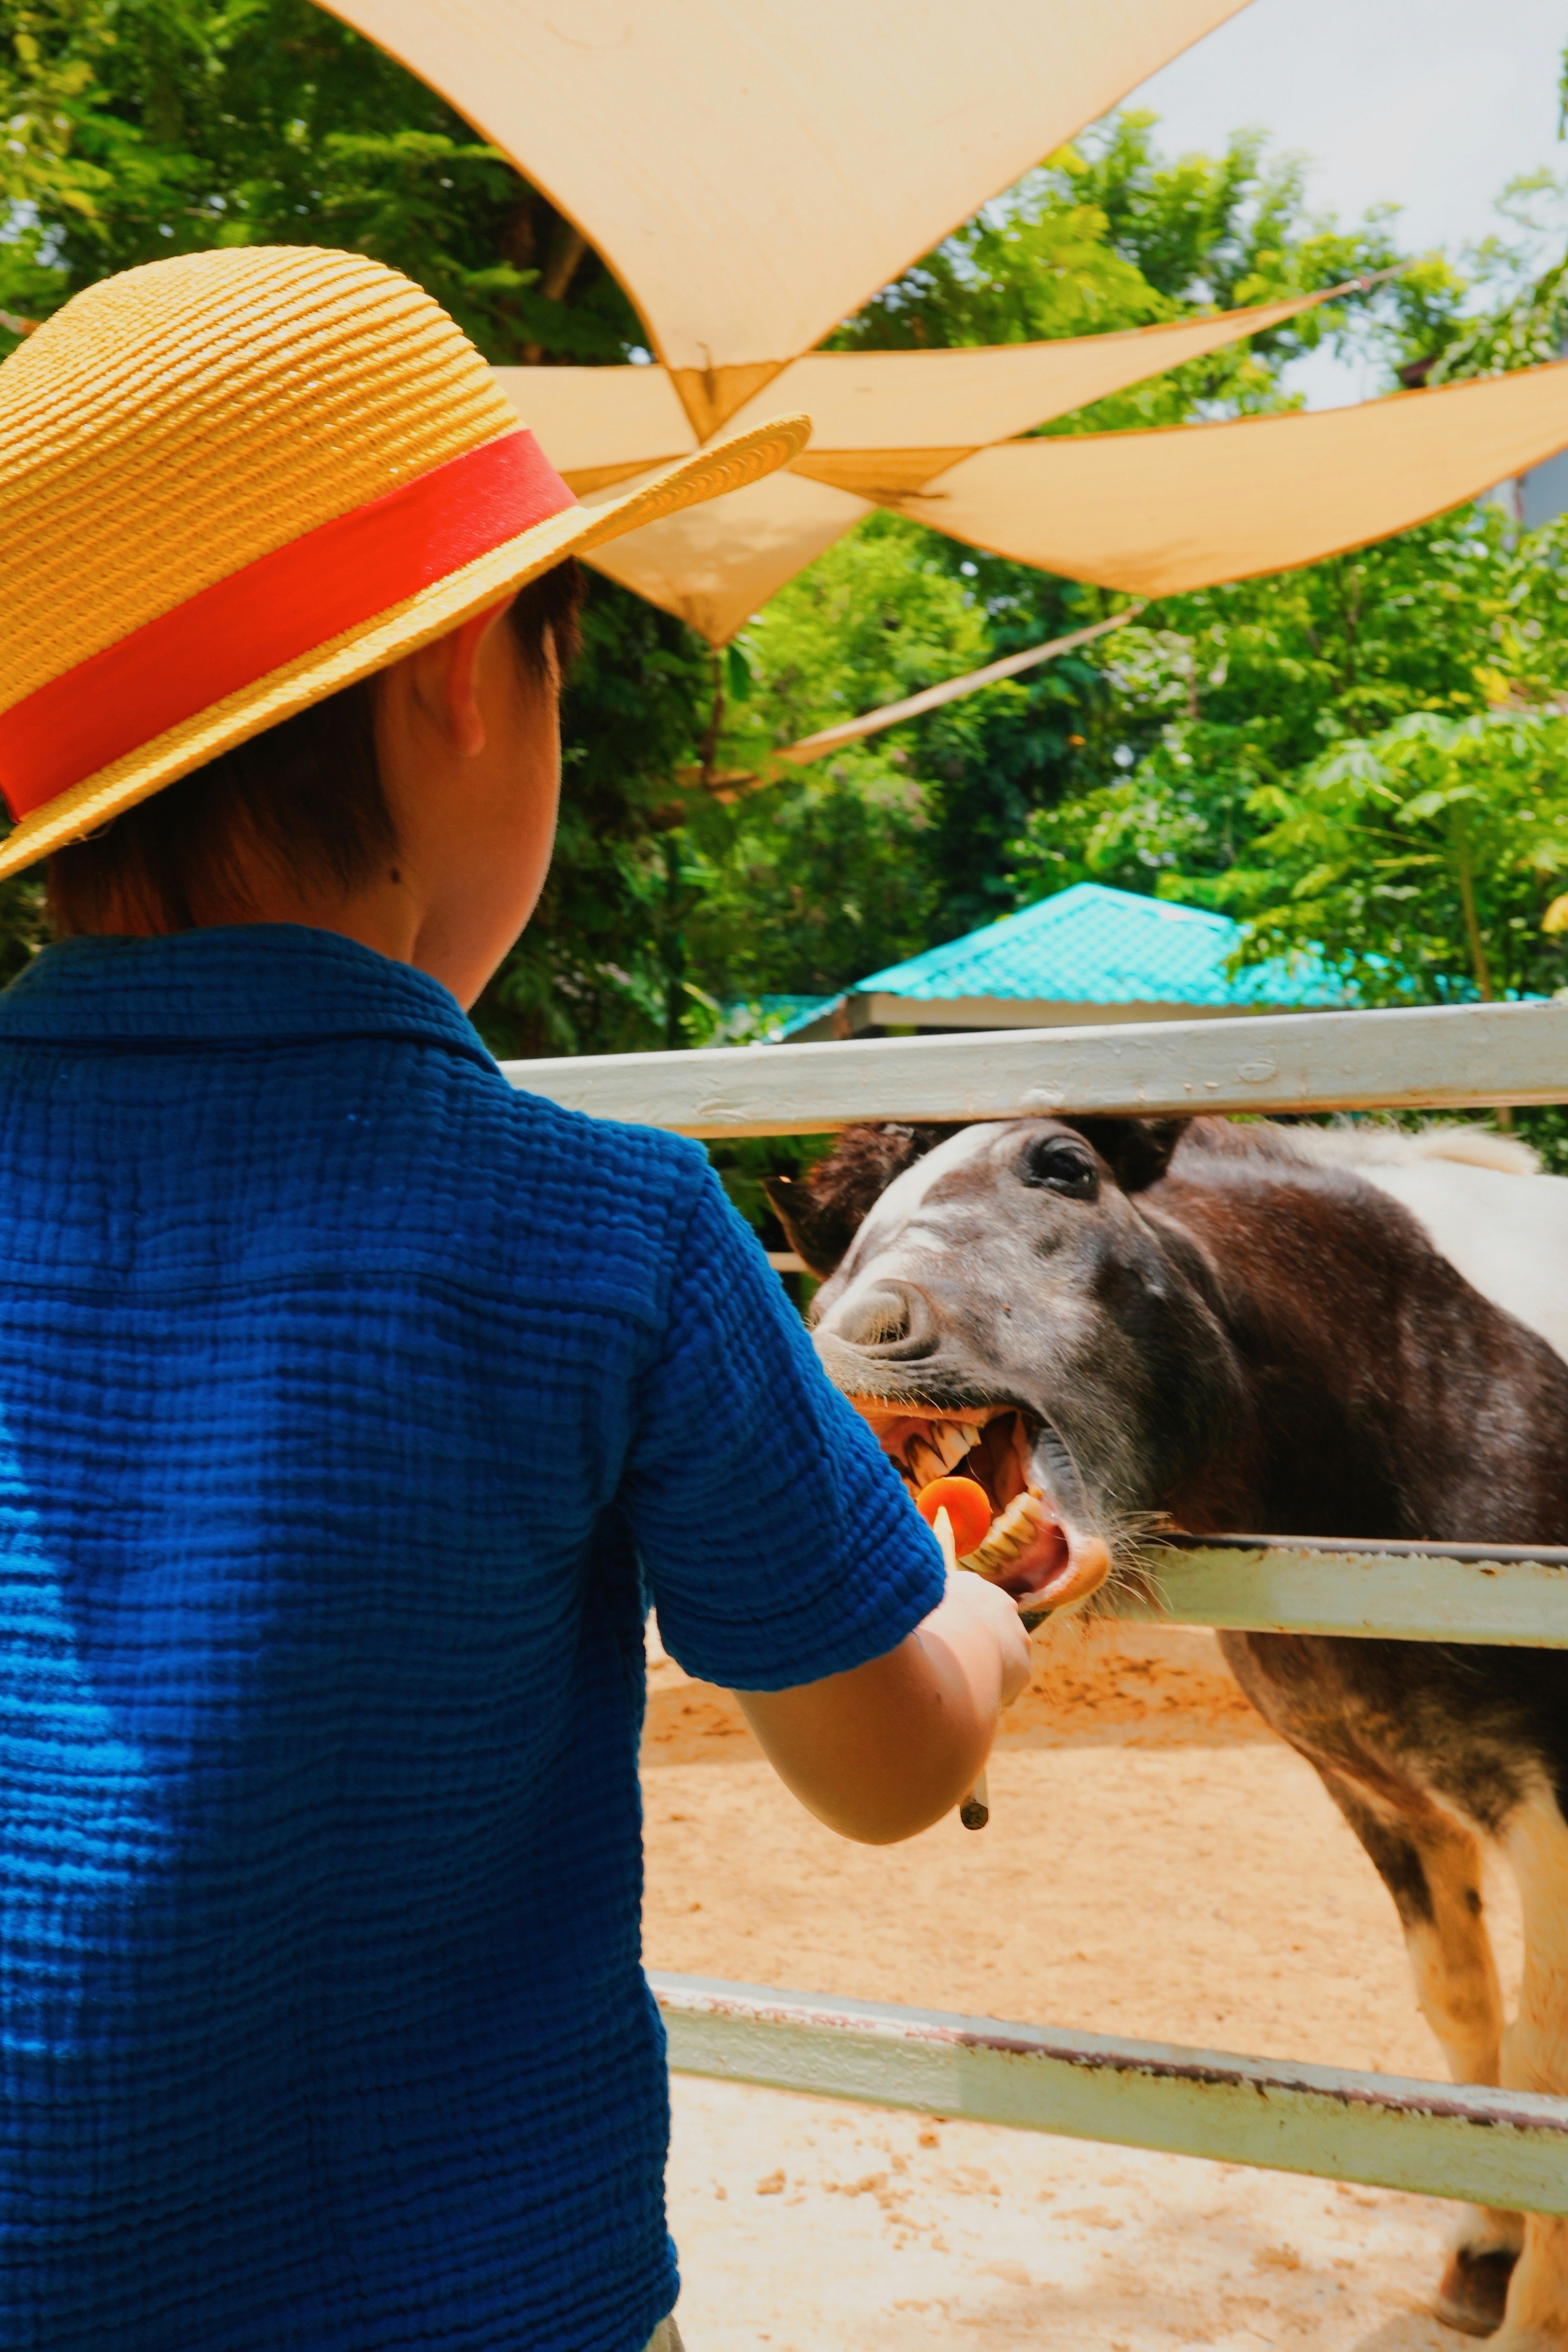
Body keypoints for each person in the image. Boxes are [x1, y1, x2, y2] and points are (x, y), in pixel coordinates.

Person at [0, 246, 1031, 2352]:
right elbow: (878, 1764)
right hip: (468, 2299)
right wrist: (984, 1618)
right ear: (469, 675)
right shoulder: (604, 1231)